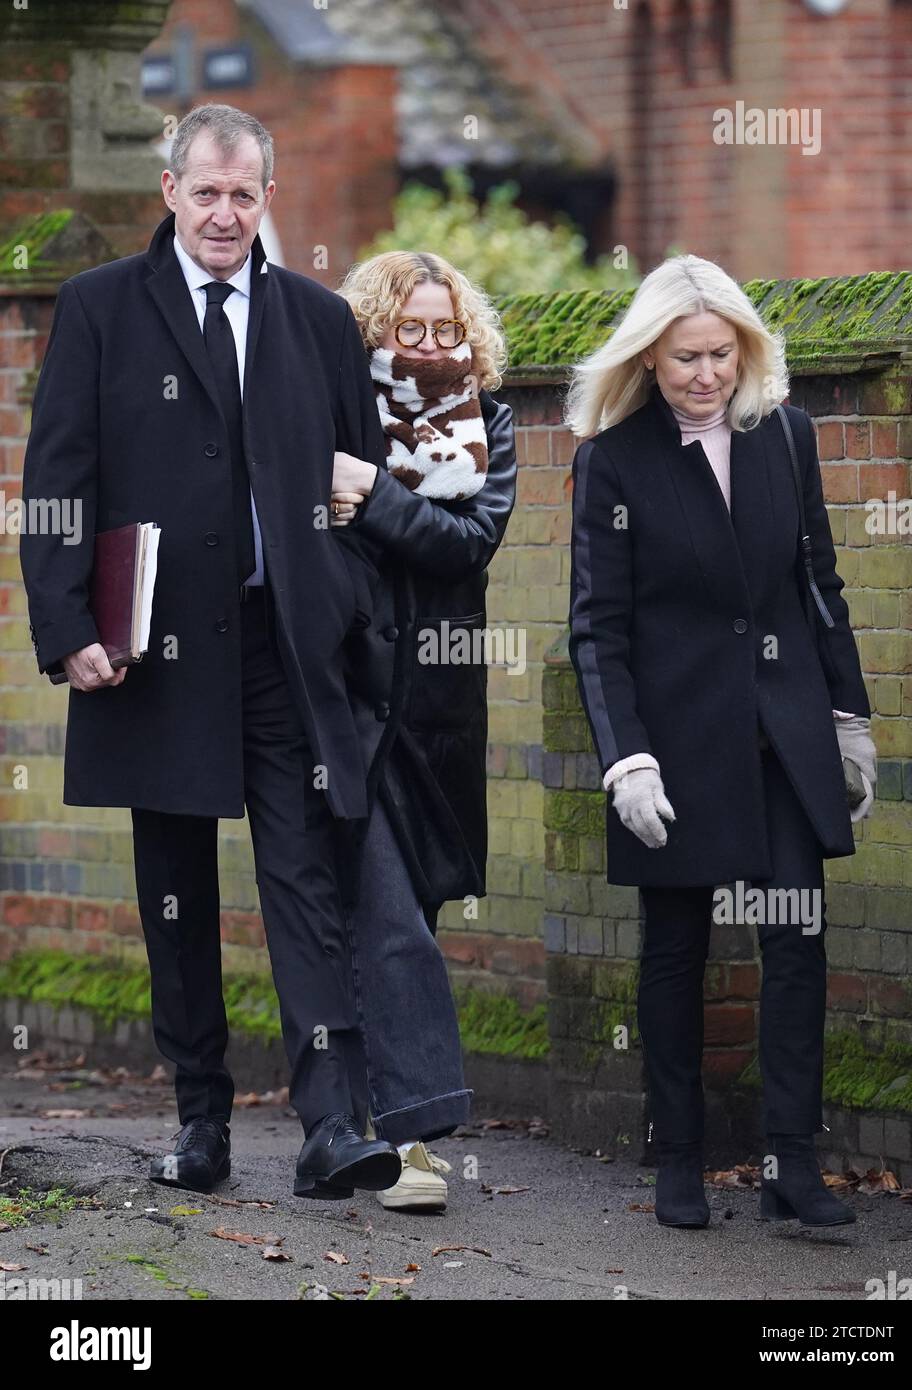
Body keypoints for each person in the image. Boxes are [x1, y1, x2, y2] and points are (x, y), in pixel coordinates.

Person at [18, 102, 402, 1200]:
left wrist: (342, 609)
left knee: (302, 881)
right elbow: (55, 484)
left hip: (283, 649)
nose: (225, 213)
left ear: (266, 200)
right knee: (175, 888)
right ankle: (200, 1122)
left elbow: (357, 486)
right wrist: (68, 630)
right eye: (207, 193)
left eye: (244, 195)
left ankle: (334, 1123)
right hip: (157, 653)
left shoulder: (321, 323)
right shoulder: (98, 310)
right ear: (170, 195)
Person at [566, 253, 877, 1229]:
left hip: (783, 736)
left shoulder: (786, 438)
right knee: (674, 948)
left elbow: (816, 590)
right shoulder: (610, 461)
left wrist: (848, 719)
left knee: (794, 944)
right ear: (646, 360)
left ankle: (792, 1161)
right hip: (674, 741)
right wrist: (624, 756)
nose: (704, 374)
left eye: (718, 354)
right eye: (683, 358)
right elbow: (596, 628)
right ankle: (679, 1157)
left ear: (744, 348)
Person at [326, 250, 517, 1209]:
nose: (433, 346)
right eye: (412, 330)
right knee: (382, 913)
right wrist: (352, 488)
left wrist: (375, 494)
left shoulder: (492, 422)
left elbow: (468, 543)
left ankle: (369, 1120)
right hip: (349, 696)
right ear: (375, 330)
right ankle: (409, 1142)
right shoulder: (342, 416)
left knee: (410, 918)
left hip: (438, 705)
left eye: (448, 329)